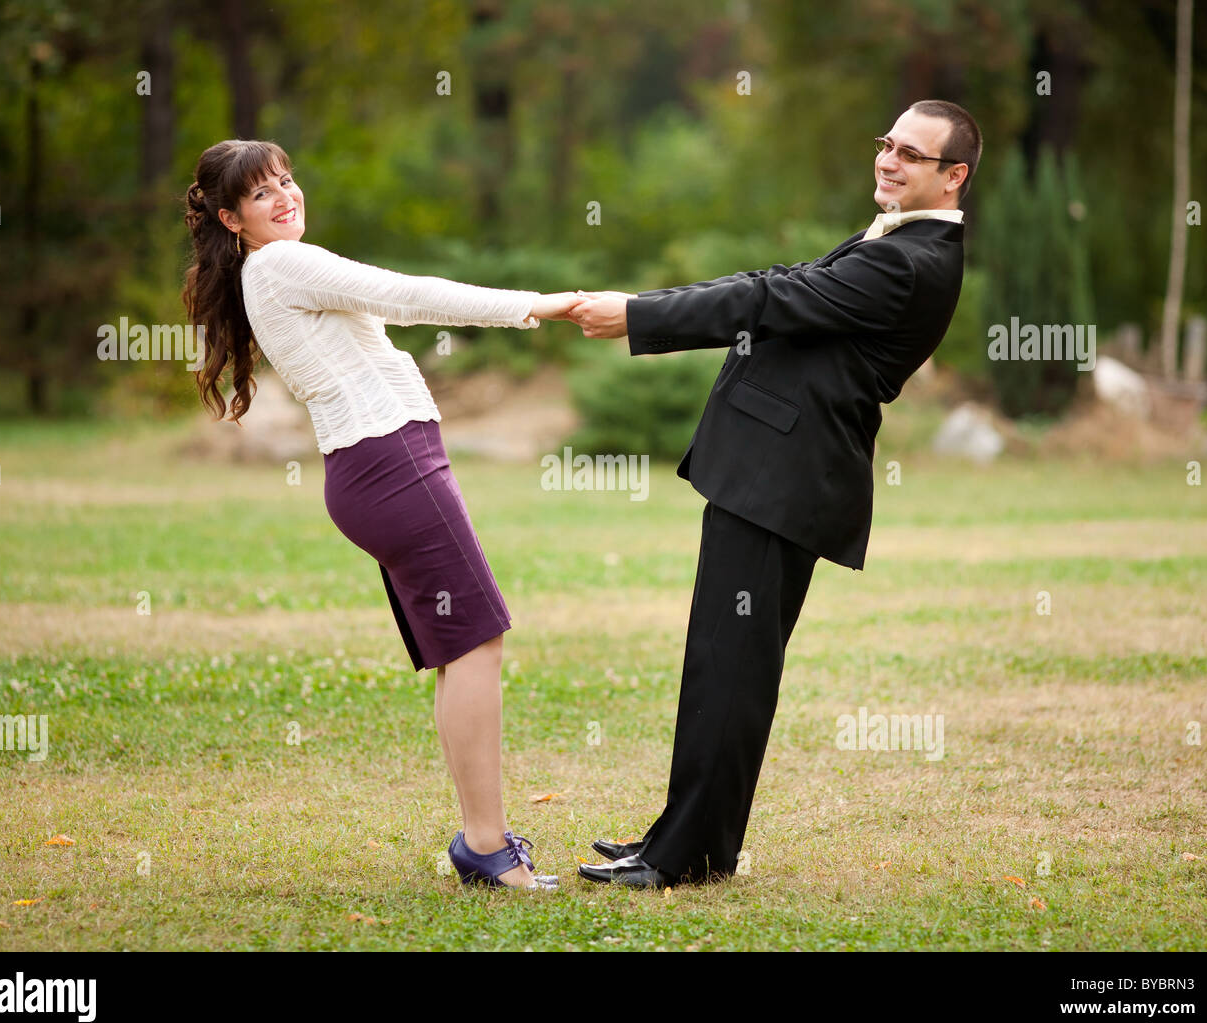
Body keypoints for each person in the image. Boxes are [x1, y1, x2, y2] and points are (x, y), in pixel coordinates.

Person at [568, 100, 982, 888]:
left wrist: (637, 315)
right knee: (721, 664)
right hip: (770, 472)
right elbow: (781, 285)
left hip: (785, 479)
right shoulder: (899, 238)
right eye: (885, 142)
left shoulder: (909, 261)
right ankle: (689, 838)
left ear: (953, 175)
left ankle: (685, 855)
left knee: (730, 669)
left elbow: (767, 298)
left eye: (911, 154)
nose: (888, 160)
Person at [182, 139, 580, 891]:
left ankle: (480, 841)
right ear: (232, 218)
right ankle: (489, 850)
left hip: (381, 469)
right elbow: (407, 293)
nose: (286, 197)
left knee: (463, 648)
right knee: (476, 645)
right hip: (391, 467)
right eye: (263, 194)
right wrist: (536, 306)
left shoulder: (269, 268)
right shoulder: (281, 264)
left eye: (288, 181)